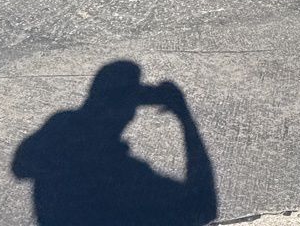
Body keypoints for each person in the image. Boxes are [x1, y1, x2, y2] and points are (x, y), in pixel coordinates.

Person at [12, 61, 217, 226]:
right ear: (128, 113)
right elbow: (204, 207)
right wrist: (185, 118)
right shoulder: (125, 175)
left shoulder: (57, 143)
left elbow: (20, 166)